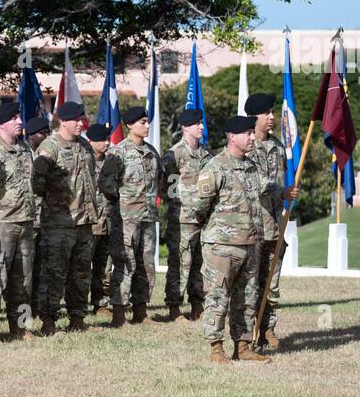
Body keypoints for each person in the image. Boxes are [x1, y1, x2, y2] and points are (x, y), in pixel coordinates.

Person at [195, 115, 297, 363]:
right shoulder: (215, 167)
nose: (253, 137)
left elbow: (266, 186)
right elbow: (198, 206)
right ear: (232, 137)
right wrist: (217, 233)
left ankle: (242, 346)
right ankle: (216, 348)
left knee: (247, 299)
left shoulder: (251, 167)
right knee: (218, 298)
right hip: (222, 248)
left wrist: (284, 192)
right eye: (248, 133)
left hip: (250, 244)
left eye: (253, 132)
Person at [31, 101, 97, 335]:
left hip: (84, 222)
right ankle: (48, 321)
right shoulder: (50, 147)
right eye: (76, 120)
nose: (81, 123)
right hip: (59, 223)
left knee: (81, 273)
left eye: (82, 119)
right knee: (54, 273)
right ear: (62, 121)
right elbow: (37, 185)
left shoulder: (85, 146)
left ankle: (77, 319)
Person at [99, 105, 164, 327]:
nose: (147, 126)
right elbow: (106, 184)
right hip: (125, 220)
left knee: (146, 265)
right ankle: (118, 313)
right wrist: (124, 203)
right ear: (129, 125)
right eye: (142, 122)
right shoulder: (118, 153)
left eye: (147, 122)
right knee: (125, 265)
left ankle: (141, 312)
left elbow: (160, 181)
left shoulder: (152, 152)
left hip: (148, 218)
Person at [0, 101, 35, 341]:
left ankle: (20, 328)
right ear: (1, 124)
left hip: (25, 223)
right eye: (14, 119)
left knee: (24, 279)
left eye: (19, 117)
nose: (20, 122)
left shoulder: (25, 150)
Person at [245, 92, 288, 350]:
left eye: (273, 112)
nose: (272, 117)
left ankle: (269, 329)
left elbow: (280, 183)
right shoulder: (245, 145)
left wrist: (287, 193)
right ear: (254, 117)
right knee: (251, 283)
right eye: (266, 113)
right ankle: (249, 331)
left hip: (274, 225)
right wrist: (279, 189)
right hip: (252, 227)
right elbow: (252, 184)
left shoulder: (278, 147)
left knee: (272, 283)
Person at [162, 108, 212, 321]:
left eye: (201, 123)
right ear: (185, 127)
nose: (201, 127)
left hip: (203, 219)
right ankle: (174, 306)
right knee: (180, 263)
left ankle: (197, 304)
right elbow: (167, 188)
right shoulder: (175, 154)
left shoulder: (206, 155)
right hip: (181, 219)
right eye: (196, 124)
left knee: (199, 264)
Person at [85, 123, 115, 316]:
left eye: (108, 139)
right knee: (80, 267)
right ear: (91, 141)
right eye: (102, 140)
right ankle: (76, 307)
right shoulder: (84, 161)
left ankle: (101, 303)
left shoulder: (112, 162)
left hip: (108, 223)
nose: (107, 143)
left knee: (104, 267)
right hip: (88, 224)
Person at [25, 113, 51, 314]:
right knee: (24, 270)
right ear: (32, 135)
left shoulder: (49, 154)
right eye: (43, 133)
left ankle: (39, 306)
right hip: (25, 221)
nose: (47, 137)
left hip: (46, 220)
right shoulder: (23, 155)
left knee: (43, 267)